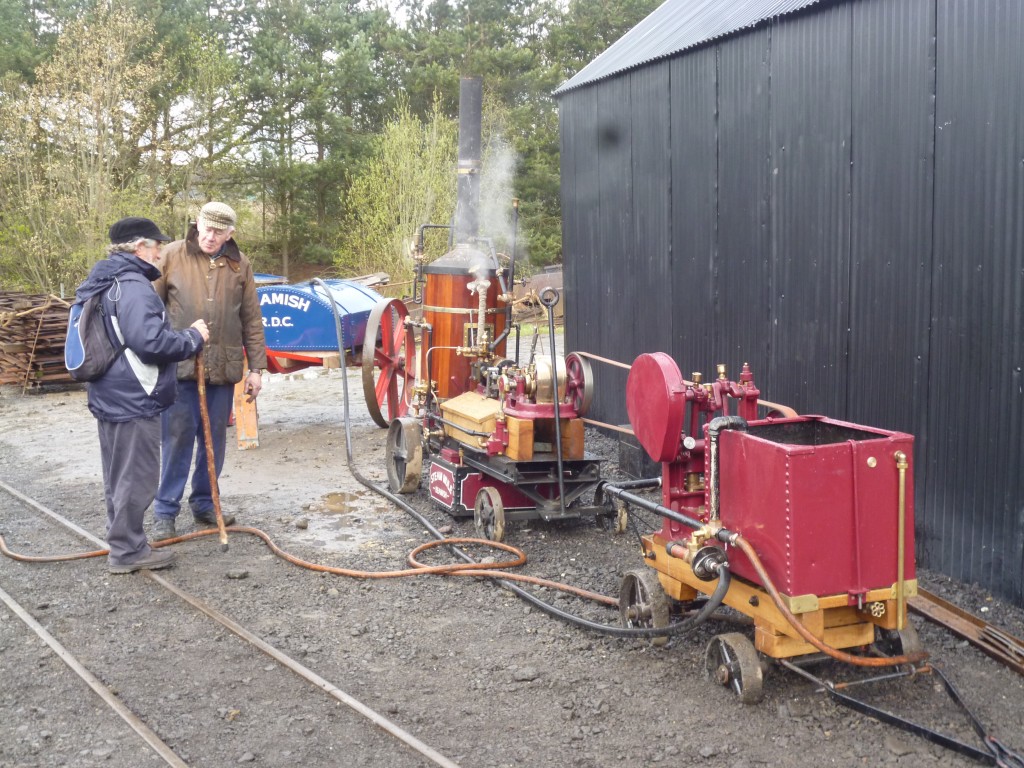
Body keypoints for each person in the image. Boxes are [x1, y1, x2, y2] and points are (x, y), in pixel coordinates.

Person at [77, 217, 210, 573]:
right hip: (134, 396)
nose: (160, 252)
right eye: (156, 246)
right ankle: (128, 552)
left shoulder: (103, 280)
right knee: (137, 476)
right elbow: (150, 343)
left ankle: (126, 543)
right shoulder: (133, 285)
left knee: (119, 475)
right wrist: (193, 338)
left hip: (110, 392)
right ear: (139, 248)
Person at [152, 201, 268, 540]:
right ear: (197, 224)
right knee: (176, 439)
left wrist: (257, 369)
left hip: (222, 367)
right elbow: (149, 310)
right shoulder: (171, 256)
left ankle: (204, 503)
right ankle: (165, 511)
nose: (210, 236)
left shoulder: (239, 264)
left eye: (219, 231)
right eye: (206, 228)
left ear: (230, 233)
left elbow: (251, 319)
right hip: (178, 365)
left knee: (213, 441)